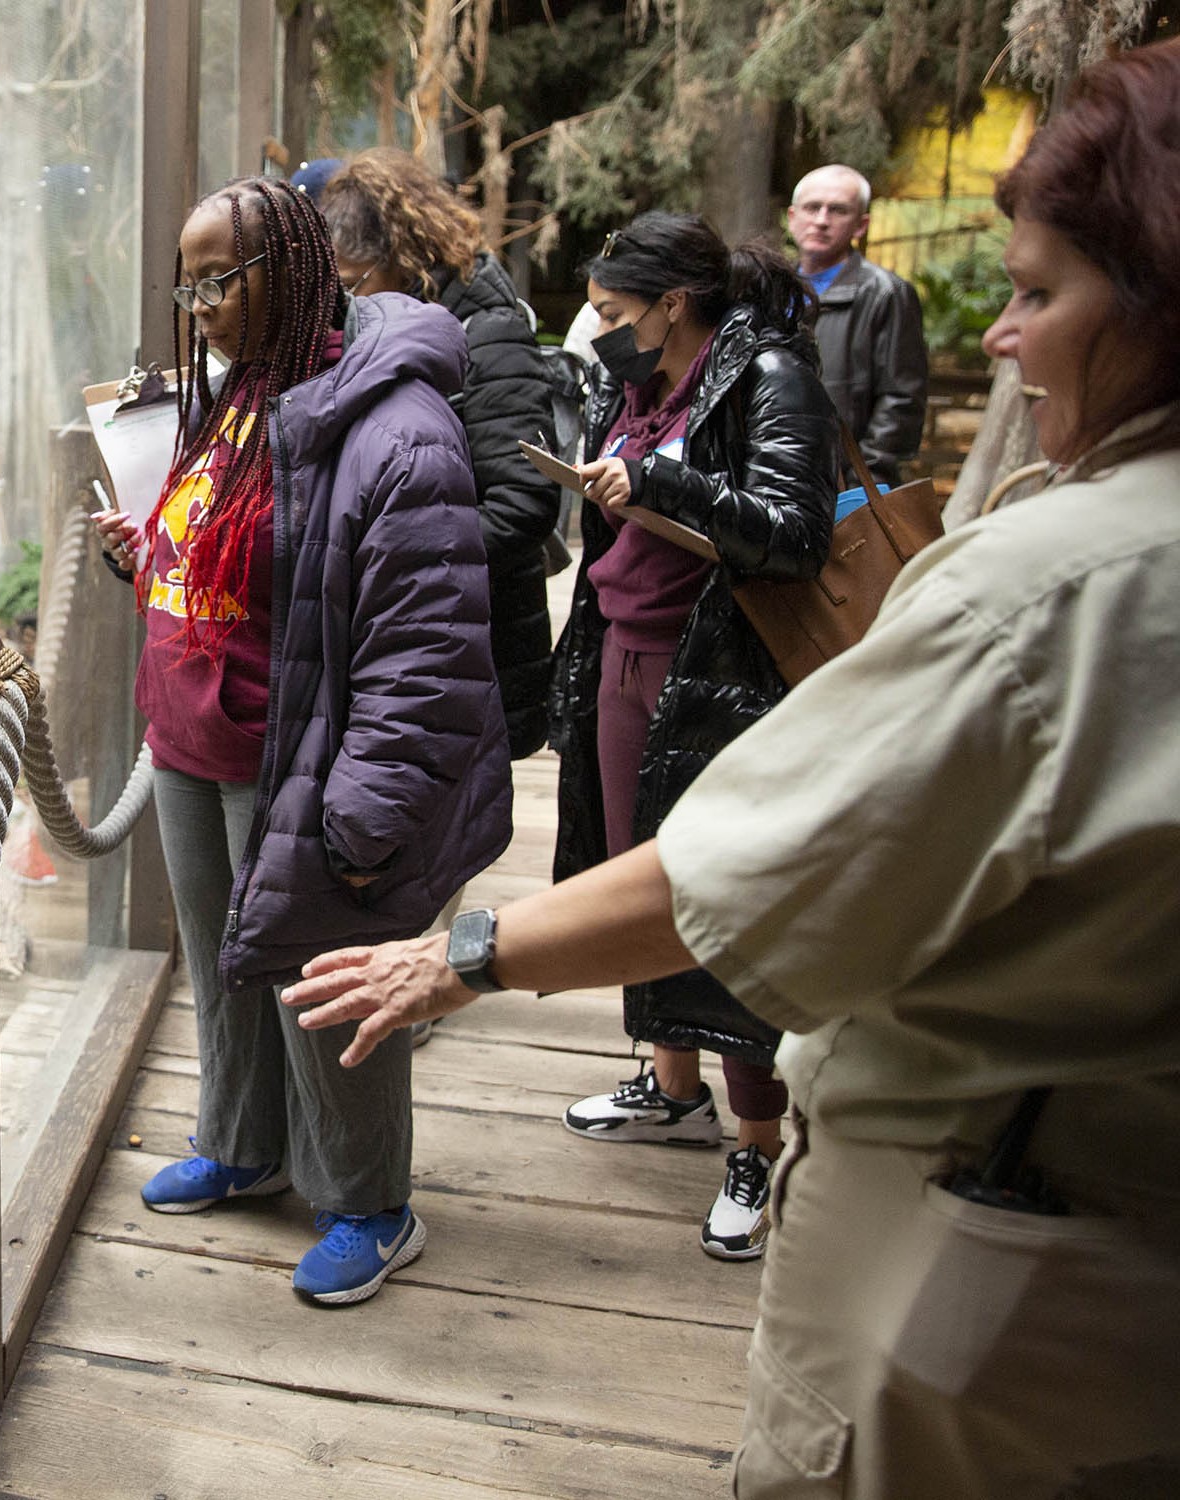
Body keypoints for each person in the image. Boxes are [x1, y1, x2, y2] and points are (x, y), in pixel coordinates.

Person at [282, 39, 1180, 1498]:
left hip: (990, 1259)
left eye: (1035, 293)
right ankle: (671, 1081)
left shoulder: (1047, 587)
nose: (1004, 341)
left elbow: (754, 871)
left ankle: (738, 1137)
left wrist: (461, 957)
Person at [90, 175, 511, 1306]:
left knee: (320, 984)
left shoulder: (396, 428)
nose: (201, 303)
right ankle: (243, 1148)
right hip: (192, 736)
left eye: (221, 277)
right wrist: (151, 557)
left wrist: (366, 818)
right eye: (187, 282)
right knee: (227, 973)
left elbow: (425, 655)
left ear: (297, 269)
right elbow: (231, 551)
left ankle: (372, 1202)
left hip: (299, 755)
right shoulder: (232, 396)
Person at [544, 211, 835, 1260]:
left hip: (720, 680)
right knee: (635, 877)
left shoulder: (769, 374)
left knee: (723, 903)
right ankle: (672, 1085)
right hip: (623, 655)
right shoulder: (636, 375)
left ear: (675, 304)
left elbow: (795, 536)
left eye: (616, 315)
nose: (602, 332)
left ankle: (758, 1141)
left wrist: (662, 482)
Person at [318, 147, 565, 761]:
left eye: (351, 283)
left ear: (399, 257)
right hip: (409, 646)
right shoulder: (382, 329)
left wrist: (391, 557)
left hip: (473, 649)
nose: (341, 301)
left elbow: (525, 503)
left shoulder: (487, 331)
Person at [788, 164, 929, 486]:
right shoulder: (773, 288)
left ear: (861, 224)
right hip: (777, 474)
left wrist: (865, 481)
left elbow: (902, 399)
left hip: (844, 481)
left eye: (837, 210)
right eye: (812, 208)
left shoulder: (885, 293)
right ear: (793, 216)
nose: (821, 221)